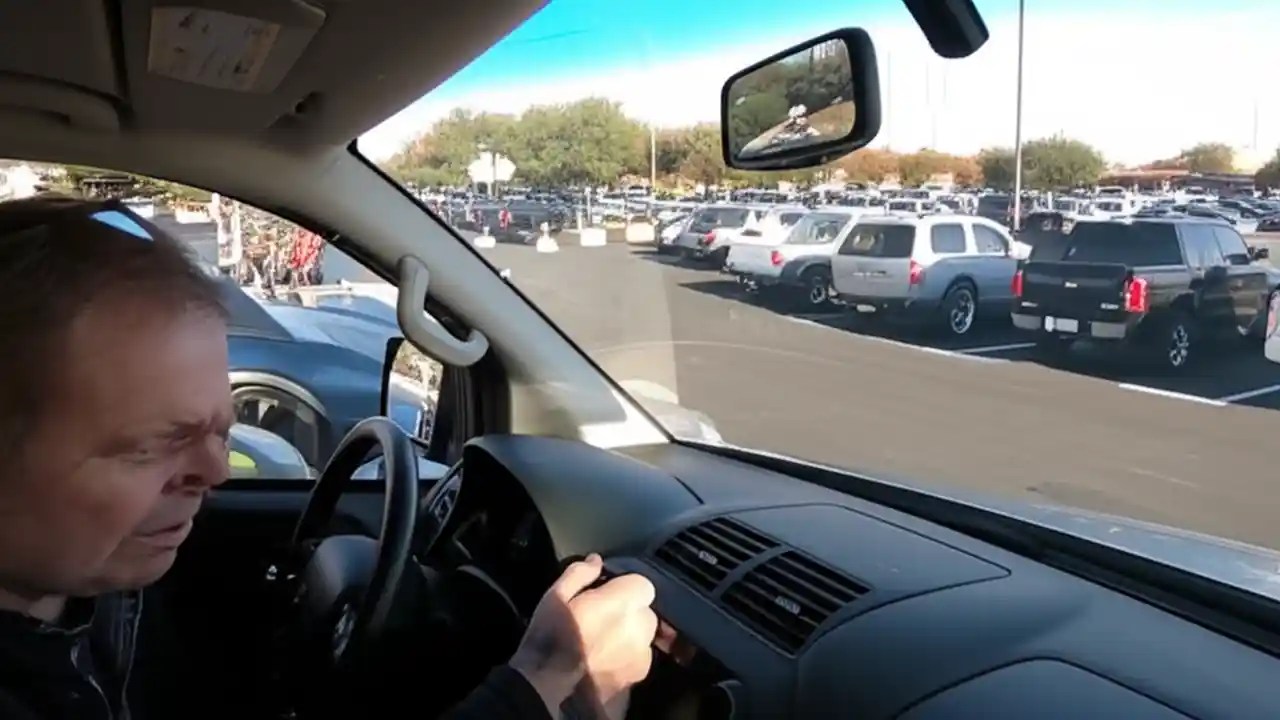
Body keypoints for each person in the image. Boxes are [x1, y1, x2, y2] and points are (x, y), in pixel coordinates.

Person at [0, 196, 659, 720]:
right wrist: (543, 679)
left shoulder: (90, 591)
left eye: (220, 430)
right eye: (149, 446)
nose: (218, 473)